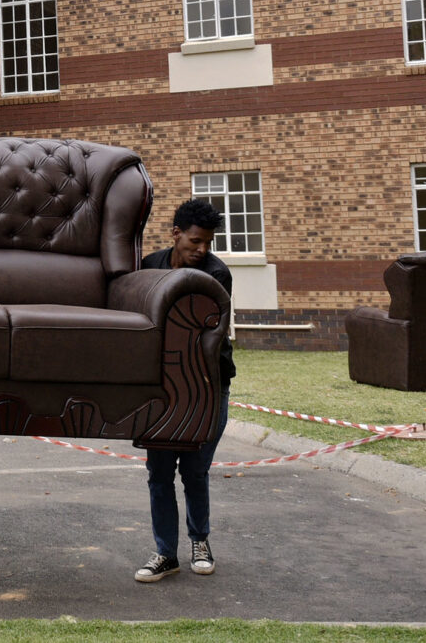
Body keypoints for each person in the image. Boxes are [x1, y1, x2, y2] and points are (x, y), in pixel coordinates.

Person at [135, 198, 235, 583]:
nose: (202, 250)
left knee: (195, 471)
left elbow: (210, 335)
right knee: (159, 473)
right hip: (160, 387)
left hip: (207, 385)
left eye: (208, 242)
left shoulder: (216, 274)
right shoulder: (148, 268)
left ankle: (200, 542)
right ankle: (165, 554)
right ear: (175, 234)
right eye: (195, 241)